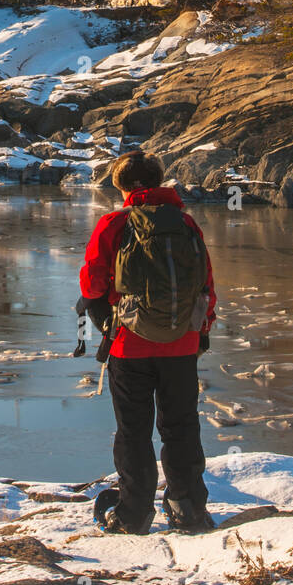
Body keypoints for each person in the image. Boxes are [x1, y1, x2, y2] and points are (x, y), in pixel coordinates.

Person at [77, 149, 216, 535]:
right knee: (182, 426)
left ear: (120, 185)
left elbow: (92, 283)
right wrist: (198, 332)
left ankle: (134, 514)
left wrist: (104, 320)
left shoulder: (113, 222)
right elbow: (206, 285)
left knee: (134, 431)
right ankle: (188, 509)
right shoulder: (185, 223)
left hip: (129, 344)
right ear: (158, 181)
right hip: (182, 344)